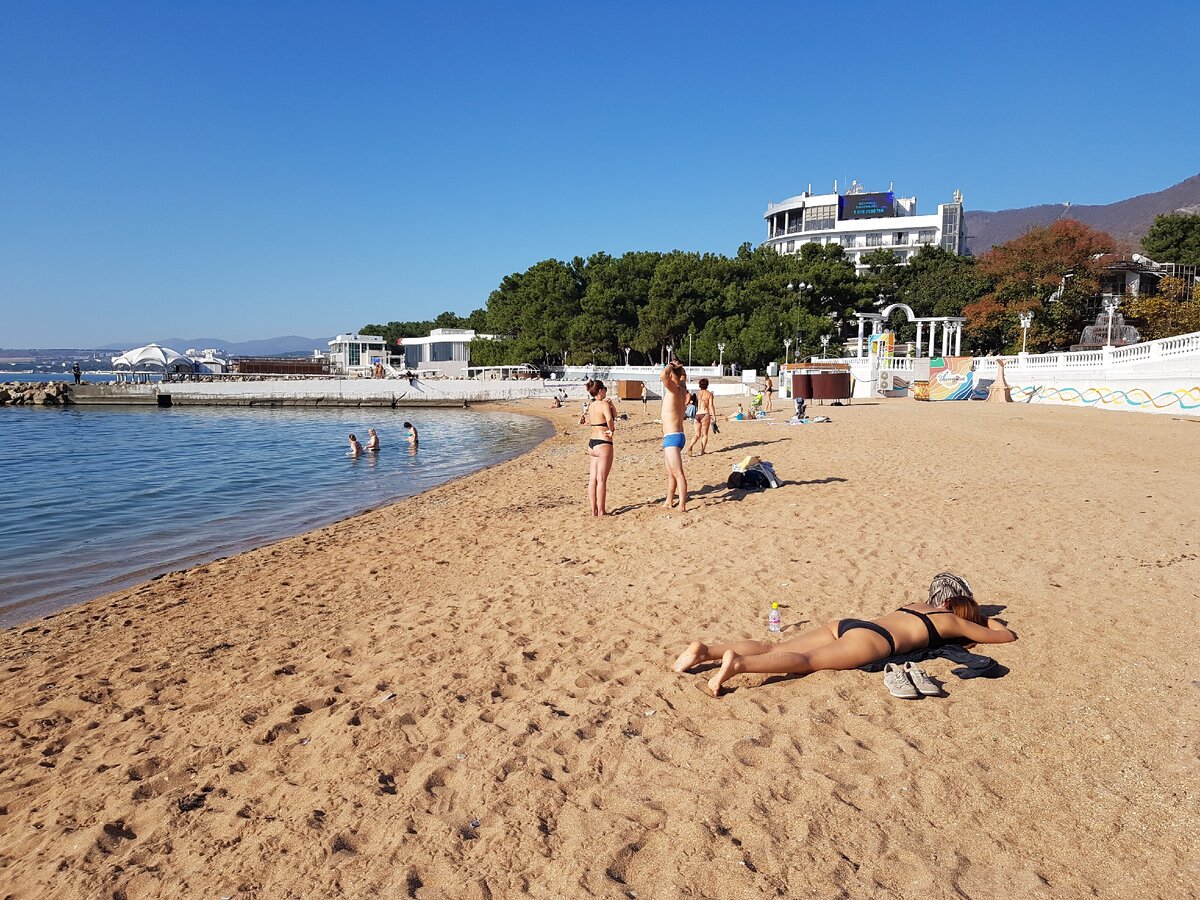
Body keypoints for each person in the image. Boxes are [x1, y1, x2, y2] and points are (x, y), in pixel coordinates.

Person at [675, 595, 1016, 697]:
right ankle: (737, 666)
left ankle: (707, 651)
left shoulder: (918, 604)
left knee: (771, 644)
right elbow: (1005, 637)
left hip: (849, 624)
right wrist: (985, 621)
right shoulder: (951, 623)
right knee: (806, 661)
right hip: (874, 642)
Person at [660, 358, 689, 511]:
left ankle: (682, 504)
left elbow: (663, 375)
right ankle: (669, 500)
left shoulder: (673, 389)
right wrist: (680, 369)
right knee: (671, 473)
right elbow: (683, 376)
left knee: (678, 473)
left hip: (672, 437)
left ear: (672, 375)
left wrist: (670, 366)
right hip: (676, 435)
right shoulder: (682, 389)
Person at [584, 379, 615, 516]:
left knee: (592, 479)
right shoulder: (603, 404)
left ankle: (593, 510)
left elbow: (612, 414)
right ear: (601, 390)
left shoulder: (592, 405)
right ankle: (601, 510)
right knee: (601, 479)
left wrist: (611, 404)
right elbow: (610, 418)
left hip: (592, 442)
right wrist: (612, 429)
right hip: (603, 442)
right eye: (605, 389)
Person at [688, 378, 716, 456]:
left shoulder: (697, 394)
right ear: (707, 385)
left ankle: (690, 446)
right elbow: (711, 406)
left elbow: (691, 403)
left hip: (697, 414)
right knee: (705, 434)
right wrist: (713, 416)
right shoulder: (709, 394)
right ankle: (702, 451)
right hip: (705, 414)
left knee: (697, 434)